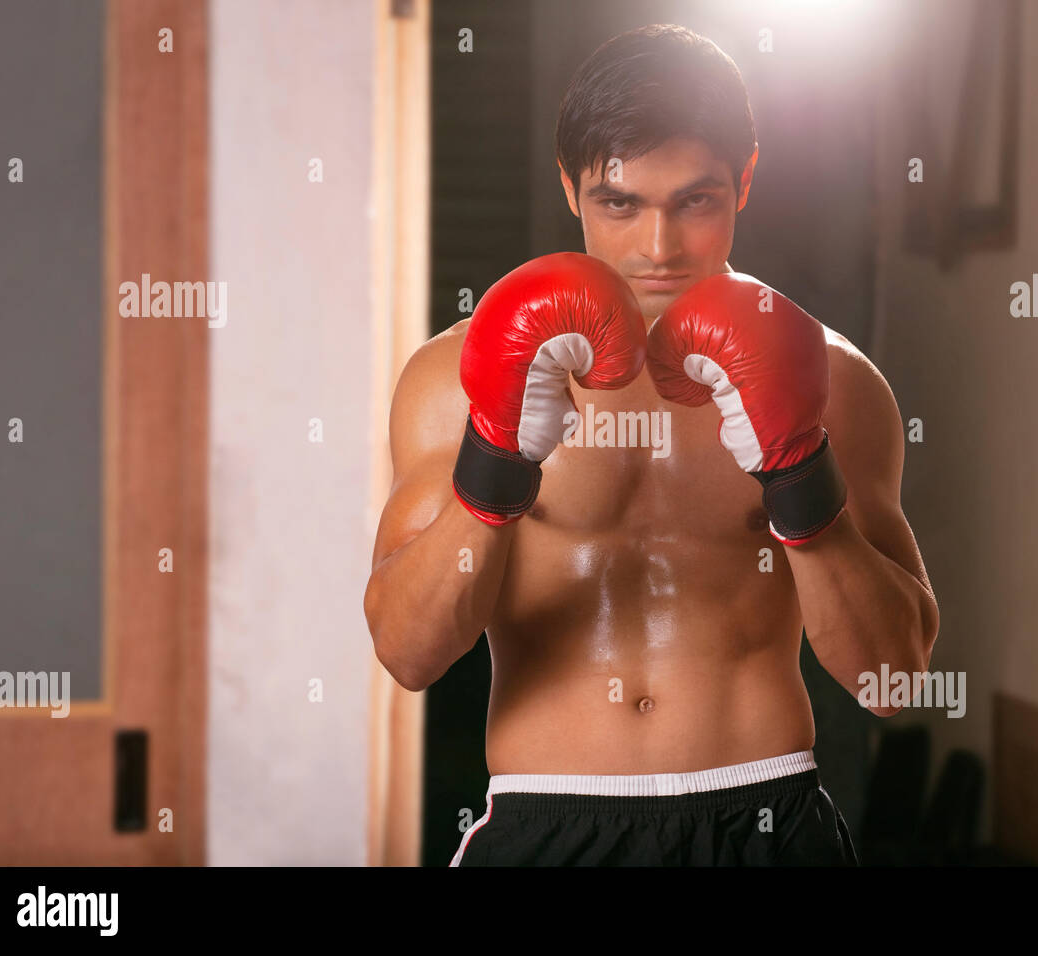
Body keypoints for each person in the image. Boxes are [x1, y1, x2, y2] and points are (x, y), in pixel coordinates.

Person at [364, 23, 939, 866]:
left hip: (765, 820)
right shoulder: (453, 377)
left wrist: (798, 473)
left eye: (695, 201)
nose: (660, 247)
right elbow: (407, 655)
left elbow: (892, 679)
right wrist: (493, 464)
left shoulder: (833, 381)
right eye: (620, 203)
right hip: (547, 821)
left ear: (744, 181)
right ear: (570, 187)